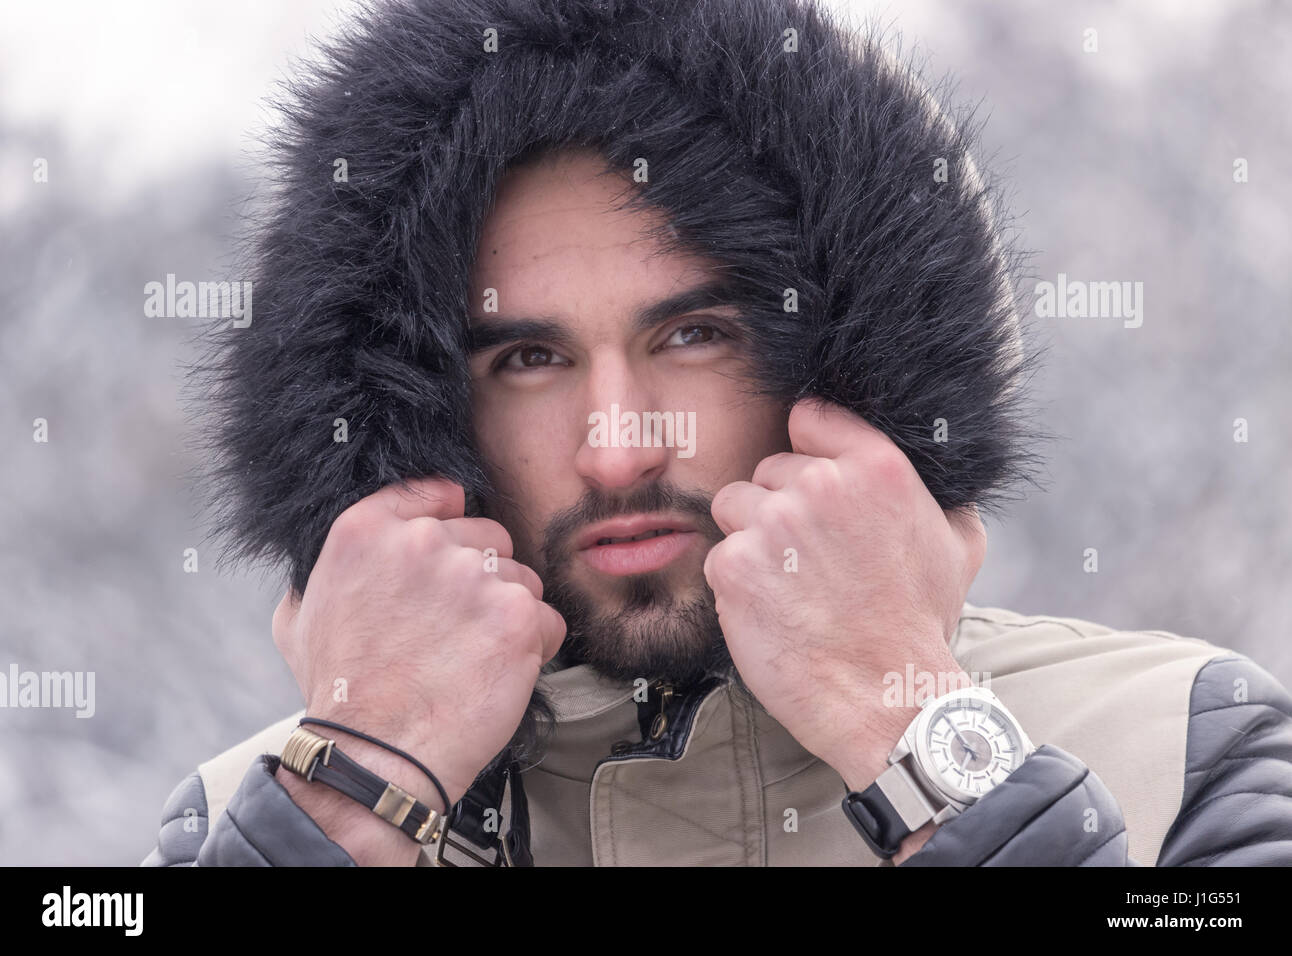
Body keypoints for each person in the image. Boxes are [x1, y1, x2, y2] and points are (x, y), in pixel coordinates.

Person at [144, 0, 1292, 866]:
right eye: (528, 359)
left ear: (852, 356)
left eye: (693, 334)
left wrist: (920, 738)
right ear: (421, 415)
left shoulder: (1181, 742)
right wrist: (350, 794)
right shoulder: (241, 819)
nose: (617, 447)